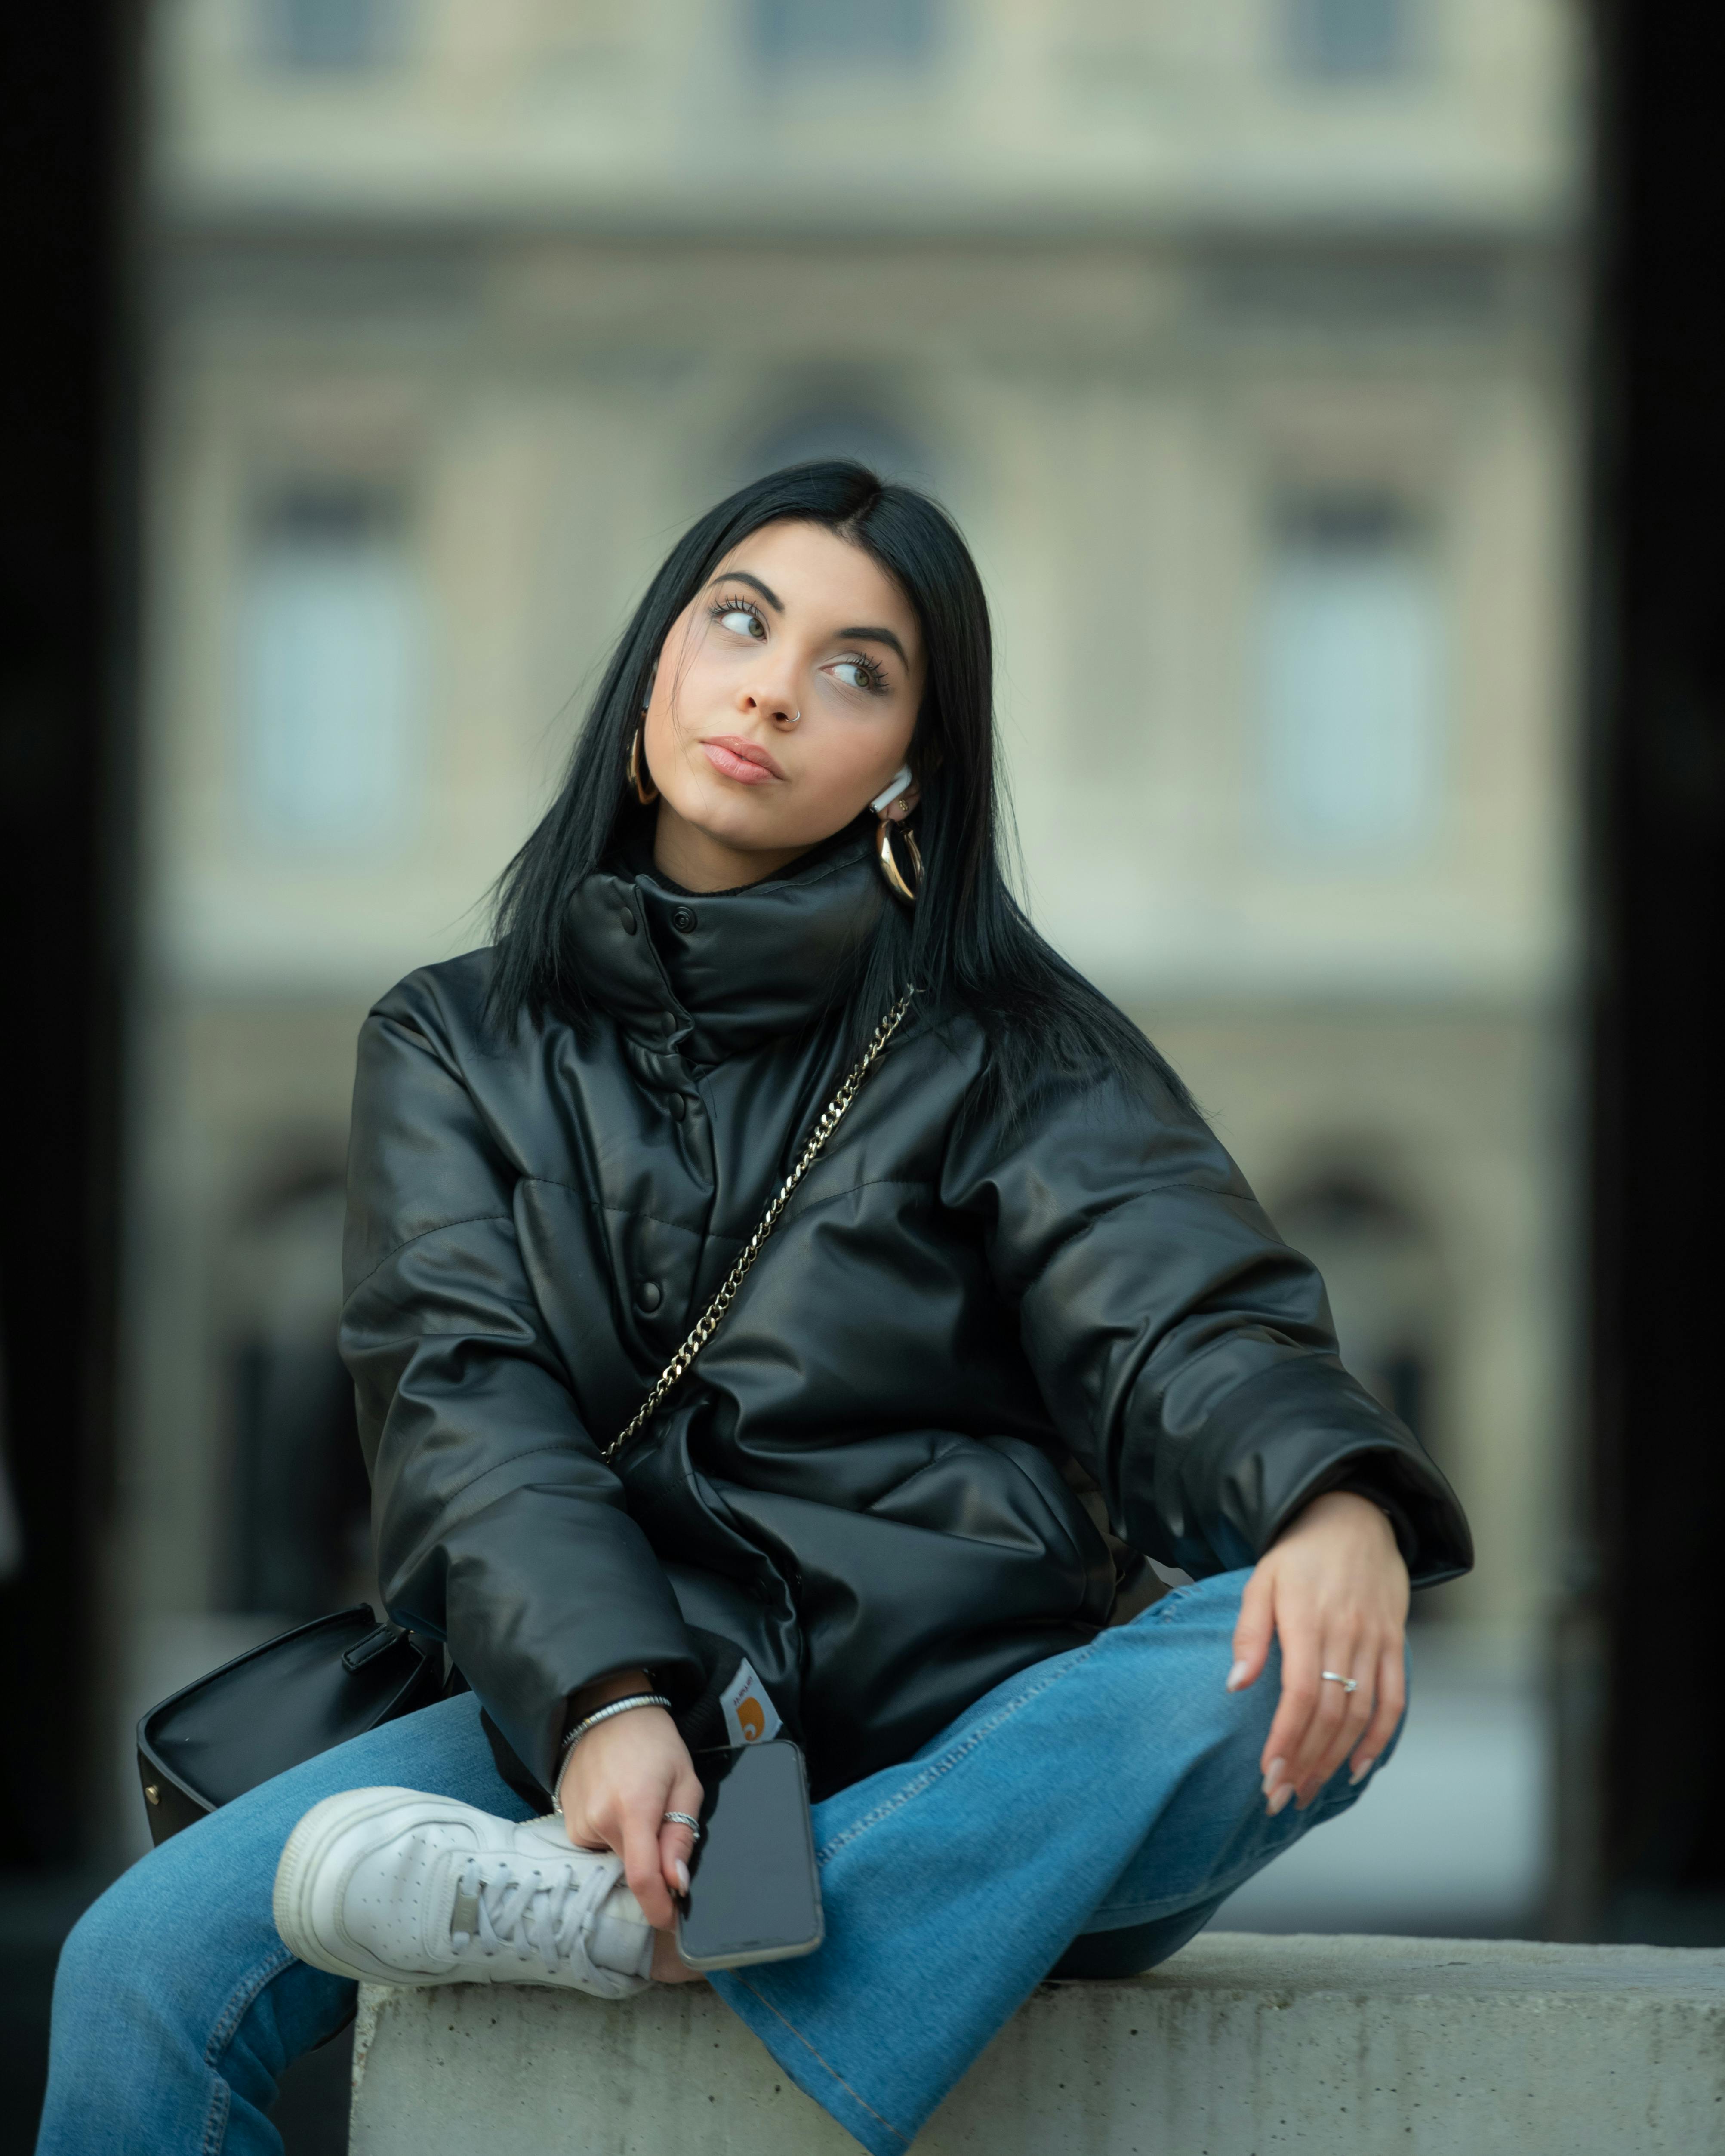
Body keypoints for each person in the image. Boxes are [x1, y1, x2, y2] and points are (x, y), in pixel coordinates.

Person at [40, 462, 1470, 2156]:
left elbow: (1177, 1314)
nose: (775, 688)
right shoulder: (453, 1044)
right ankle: (742, 1909)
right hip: (599, 1704)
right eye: (741, 620)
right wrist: (605, 1698)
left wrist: (1329, 1498)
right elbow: (462, 1396)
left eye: (860, 670)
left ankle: (685, 1929)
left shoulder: (1008, 1038)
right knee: (133, 1964)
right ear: (658, 659)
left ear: (910, 768)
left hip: (973, 1749)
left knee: (1295, 1665)